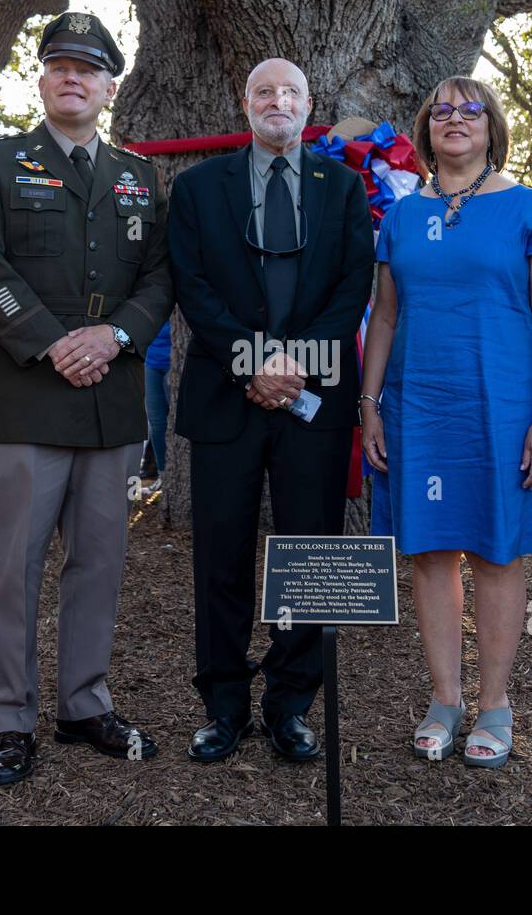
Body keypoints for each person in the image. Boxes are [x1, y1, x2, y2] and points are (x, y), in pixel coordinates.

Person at [0, 12, 173, 785]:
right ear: (42, 79)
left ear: (110, 87)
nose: (71, 77)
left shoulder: (140, 175)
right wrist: (52, 341)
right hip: (22, 400)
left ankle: (84, 703)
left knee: (99, 564)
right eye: (58, 65)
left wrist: (112, 338)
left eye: (89, 68)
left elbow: (159, 277)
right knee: (9, 569)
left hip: (110, 404)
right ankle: (9, 720)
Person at [360, 77, 532, 768]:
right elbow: (385, 316)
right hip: (418, 403)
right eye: (440, 110)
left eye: (469, 109)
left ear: (492, 127)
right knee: (430, 552)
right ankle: (445, 699)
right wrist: (369, 405)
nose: (454, 119)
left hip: (506, 407)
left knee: (497, 552)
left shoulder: (531, 210)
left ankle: (495, 705)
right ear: (424, 131)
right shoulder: (398, 217)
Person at [169, 58, 374, 762]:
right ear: (245, 102)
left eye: (290, 92)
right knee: (220, 558)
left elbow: (352, 289)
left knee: (309, 554)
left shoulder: (344, 189)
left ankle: (291, 703)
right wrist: (253, 362)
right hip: (227, 394)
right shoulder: (198, 187)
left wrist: (294, 366)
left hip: (313, 401)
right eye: (263, 91)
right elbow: (191, 287)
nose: (276, 102)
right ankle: (223, 705)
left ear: (308, 105)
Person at [141, 319, 171, 493]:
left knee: (176, 424)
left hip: (174, 362)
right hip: (151, 361)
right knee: (157, 424)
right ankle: (164, 476)